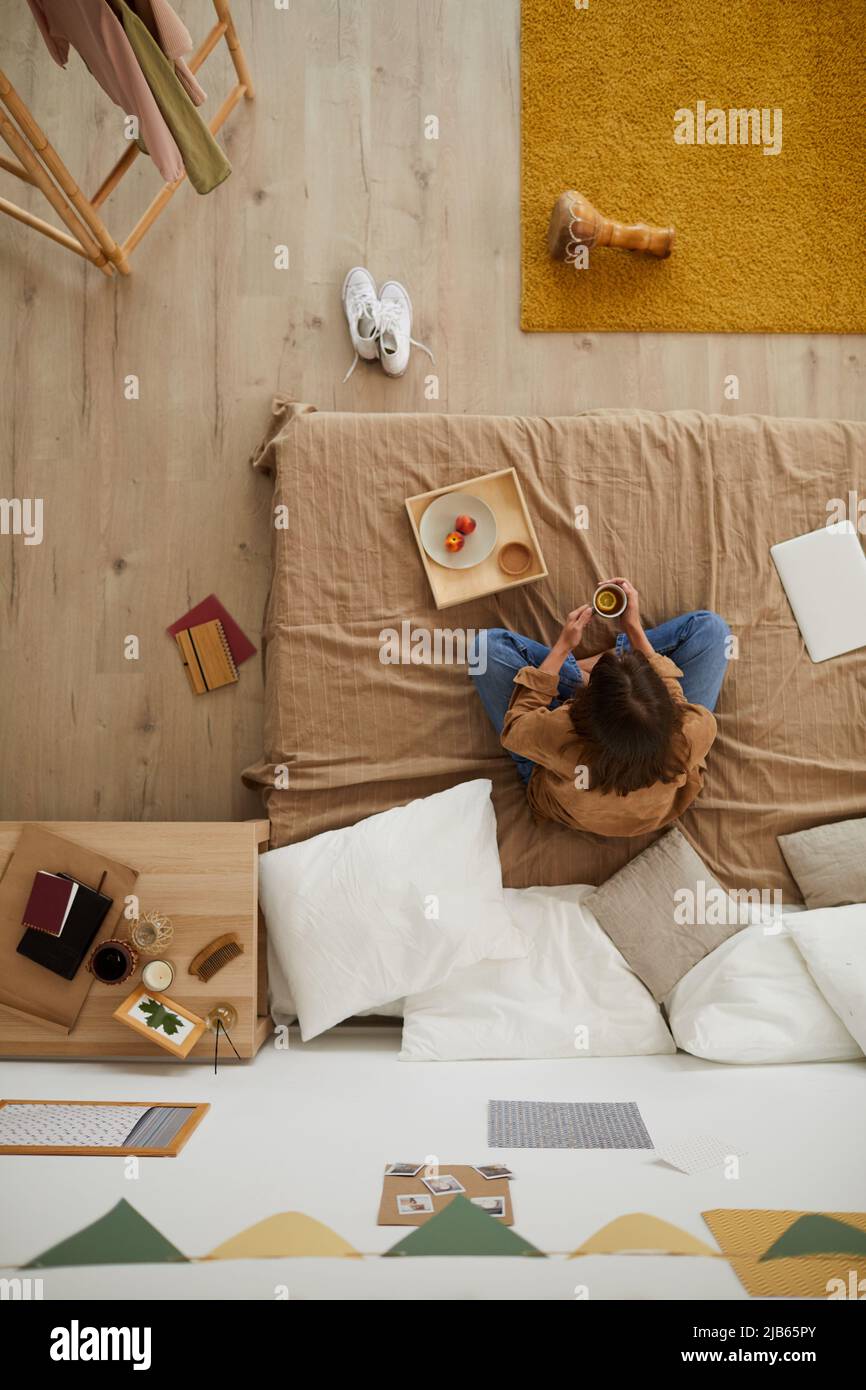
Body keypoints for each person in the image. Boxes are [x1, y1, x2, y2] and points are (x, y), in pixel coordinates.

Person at [470, 579, 729, 837]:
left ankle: (578, 673)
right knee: (712, 630)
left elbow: (516, 726)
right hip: (657, 811)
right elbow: (674, 696)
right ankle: (598, 666)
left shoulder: (560, 735)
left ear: (581, 704)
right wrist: (633, 629)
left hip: (568, 801)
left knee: (484, 650)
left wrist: (562, 648)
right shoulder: (693, 731)